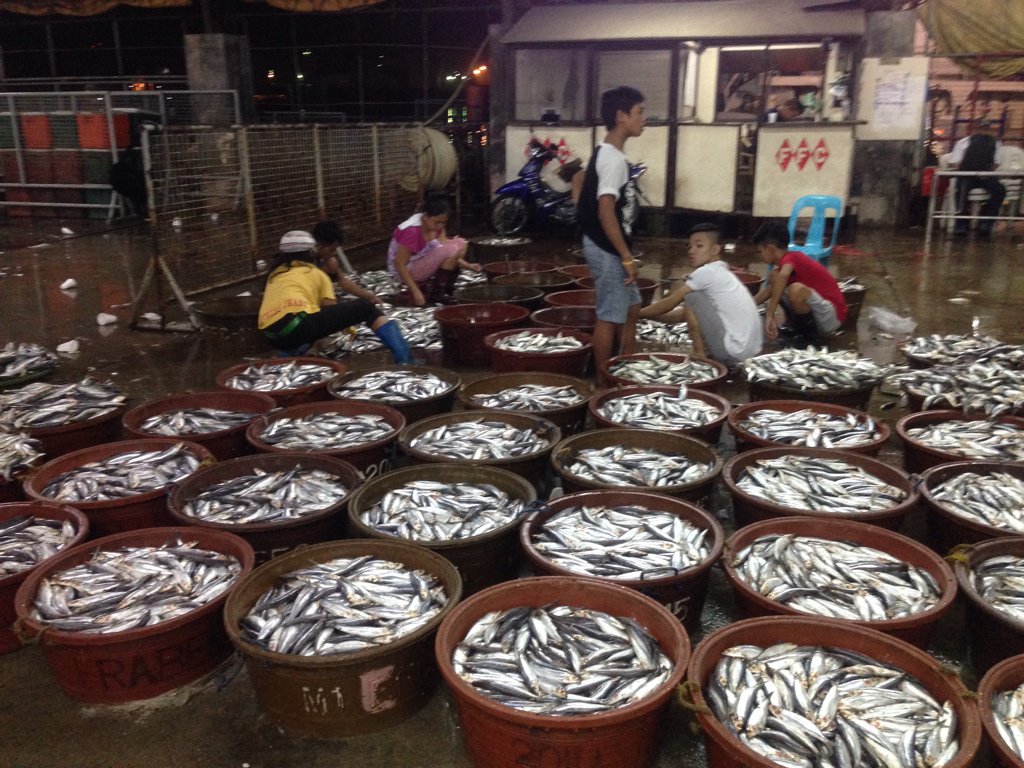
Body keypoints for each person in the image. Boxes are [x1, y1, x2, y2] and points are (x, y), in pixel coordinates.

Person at [577, 86, 646, 385]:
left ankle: (625, 362)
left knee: (632, 305)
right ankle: (604, 383)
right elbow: (606, 209)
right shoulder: (613, 159)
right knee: (609, 314)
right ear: (621, 117)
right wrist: (626, 257)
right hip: (606, 247)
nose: (645, 118)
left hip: (606, 245)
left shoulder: (609, 152)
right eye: (639, 112)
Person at [258, 230, 412, 363]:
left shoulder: (275, 276)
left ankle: (286, 358)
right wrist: (348, 324)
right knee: (366, 307)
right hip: (298, 326)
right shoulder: (315, 273)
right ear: (311, 252)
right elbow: (328, 310)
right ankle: (405, 359)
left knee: (303, 322)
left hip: (270, 335)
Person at [640, 223, 762, 367]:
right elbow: (683, 314)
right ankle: (710, 353)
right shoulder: (721, 271)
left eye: (699, 246)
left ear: (715, 249)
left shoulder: (706, 272)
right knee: (692, 299)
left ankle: (699, 355)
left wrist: (635, 313)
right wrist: (645, 314)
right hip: (749, 353)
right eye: (689, 246)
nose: (691, 251)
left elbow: (671, 302)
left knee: (693, 296)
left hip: (732, 353)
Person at [752, 221, 846, 346]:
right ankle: (799, 330)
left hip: (831, 316)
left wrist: (770, 314)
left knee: (795, 289)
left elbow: (784, 276)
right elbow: (767, 292)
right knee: (775, 276)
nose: (761, 256)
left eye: (760, 251)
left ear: (770, 249)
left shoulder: (792, 258)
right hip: (817, 315)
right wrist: (745, 306)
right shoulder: (782, 267)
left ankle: (811, 340)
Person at [386, 193, 481, 306]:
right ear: (426, 217)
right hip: (405, 269)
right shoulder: (411, 232)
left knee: (461, 243)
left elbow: (449, 252)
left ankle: (445, 287)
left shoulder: (435, 227)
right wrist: (415, 291)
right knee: (453, 248)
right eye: (437, 222)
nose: (440, 226)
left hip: (420, 259)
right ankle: (436, 293)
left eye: (443, 222)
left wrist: (468, 266)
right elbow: (399, 263)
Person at [949, 119, 1005, 238]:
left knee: (999, 191)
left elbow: (996, 162)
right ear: (975, 129)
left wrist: (985, 171)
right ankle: (961, 223)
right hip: (967, 175)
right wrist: (972, 169)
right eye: (981, 128)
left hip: (986, 175)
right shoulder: (963, 143)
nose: (983, 131)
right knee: (961, 192)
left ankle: (986, 221)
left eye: (985, 128)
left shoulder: (995, 143)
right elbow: (954, 162)